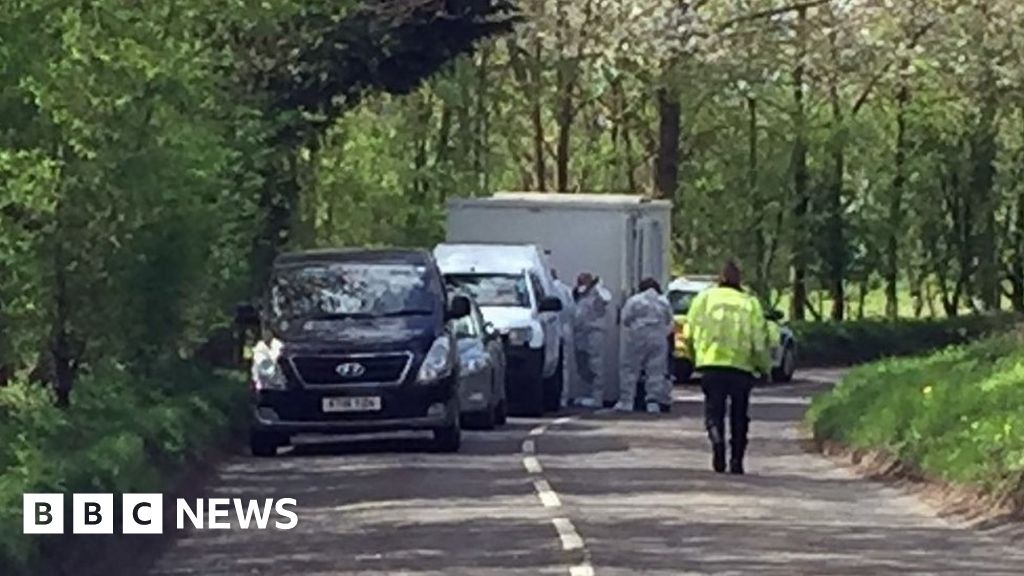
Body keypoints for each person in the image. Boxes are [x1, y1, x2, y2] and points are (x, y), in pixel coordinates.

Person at [685, 261, 771, 475]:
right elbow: (759, 339)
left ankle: (717, 444)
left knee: (714, 412)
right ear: (739, 280)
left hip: (711, 365)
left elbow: (688, 332)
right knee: (739, 415)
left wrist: (695, 357)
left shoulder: (704, 299)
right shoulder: (750, 303)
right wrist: (764, 367)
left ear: (718, 278)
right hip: (741, 367)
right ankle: (737, 460)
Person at [618, 278, 674, 413]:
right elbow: (669, 320)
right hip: (658, 338)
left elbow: (625, 319)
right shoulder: (663, 301)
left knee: (630, 368)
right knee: (656, 371)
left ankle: (627, 401)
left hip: (637, 336)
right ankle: (652, 402)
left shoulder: (634, 300)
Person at [572, 272, 611, 408]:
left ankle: (597, 397)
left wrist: (597, 286)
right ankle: (586, 394)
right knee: (583, 365)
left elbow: (606, 299)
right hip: (581, 334)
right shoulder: (579, 297)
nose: (580, 285)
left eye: (583, 281)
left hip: (594, 333)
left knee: (596, 364)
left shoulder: (597, 295)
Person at [550, 269, 577, 407]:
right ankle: (563, 397)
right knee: (564, 366)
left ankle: (554, 396)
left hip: (552, 329)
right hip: (565, 329)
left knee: (552, 365)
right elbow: (572, 310)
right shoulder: (566, 290)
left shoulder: (548, 289)